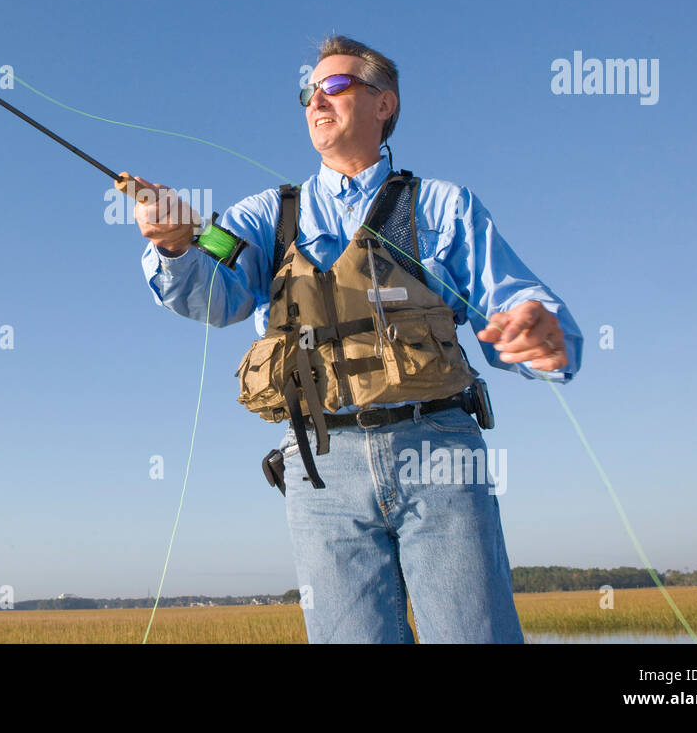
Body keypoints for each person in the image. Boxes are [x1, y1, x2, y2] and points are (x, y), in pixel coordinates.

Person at [132, 34, 583, 643]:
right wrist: (176, 244)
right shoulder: (268, 215)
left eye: (336, 85)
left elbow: (514, 305)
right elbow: (216, 296)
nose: (317, 98)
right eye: (307, 92)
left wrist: (541, 335)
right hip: (320, 469)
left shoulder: (443, 206)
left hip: (438, 450)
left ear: (383, 104)